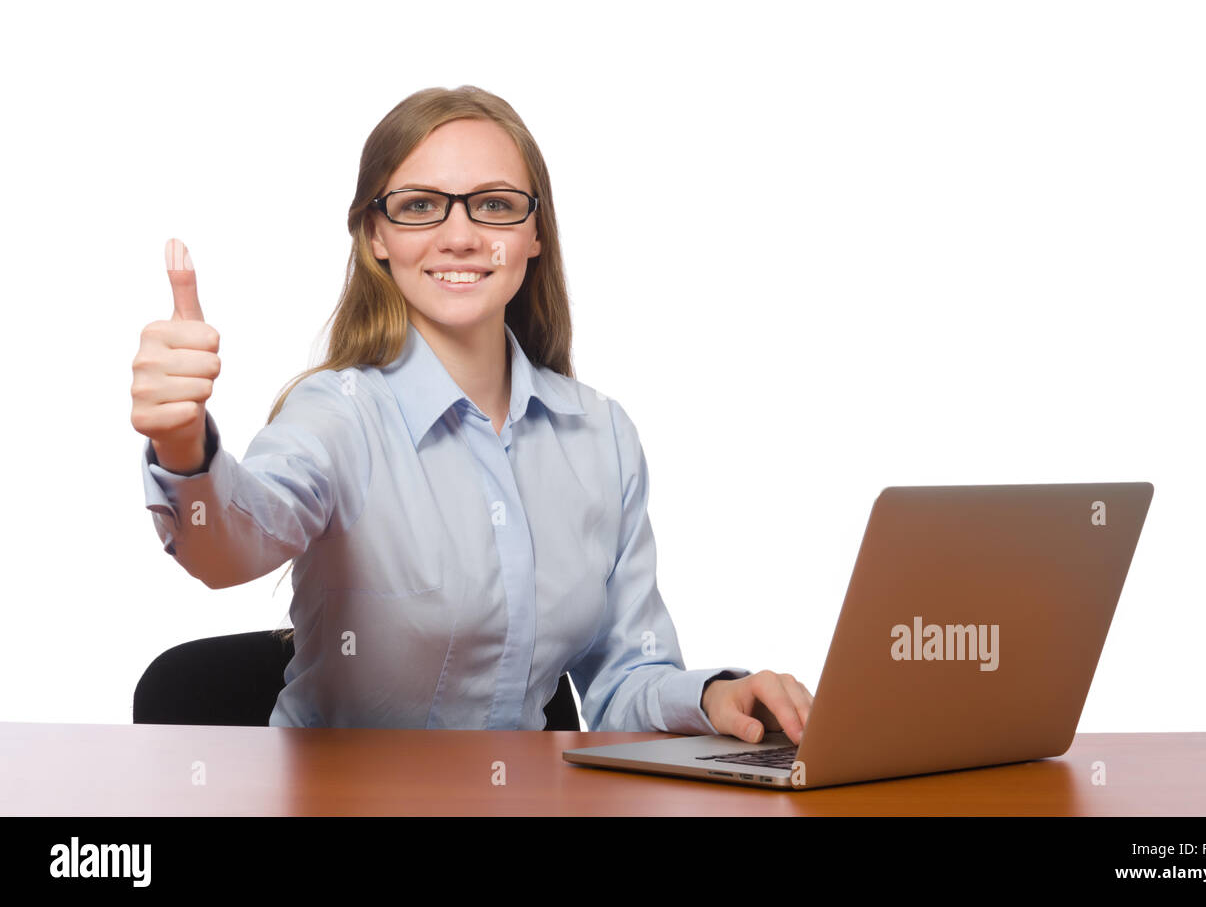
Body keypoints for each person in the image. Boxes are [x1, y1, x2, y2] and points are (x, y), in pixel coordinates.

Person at [131, 85, 813, 743]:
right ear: (377, 234)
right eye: (422, 205)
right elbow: (227, 546)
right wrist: (183, 442)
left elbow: (624, 678)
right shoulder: (339, 416)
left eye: (492, 204)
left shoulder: (600, 436)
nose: (460, 236)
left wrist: (711, 696)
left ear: (533, 233)